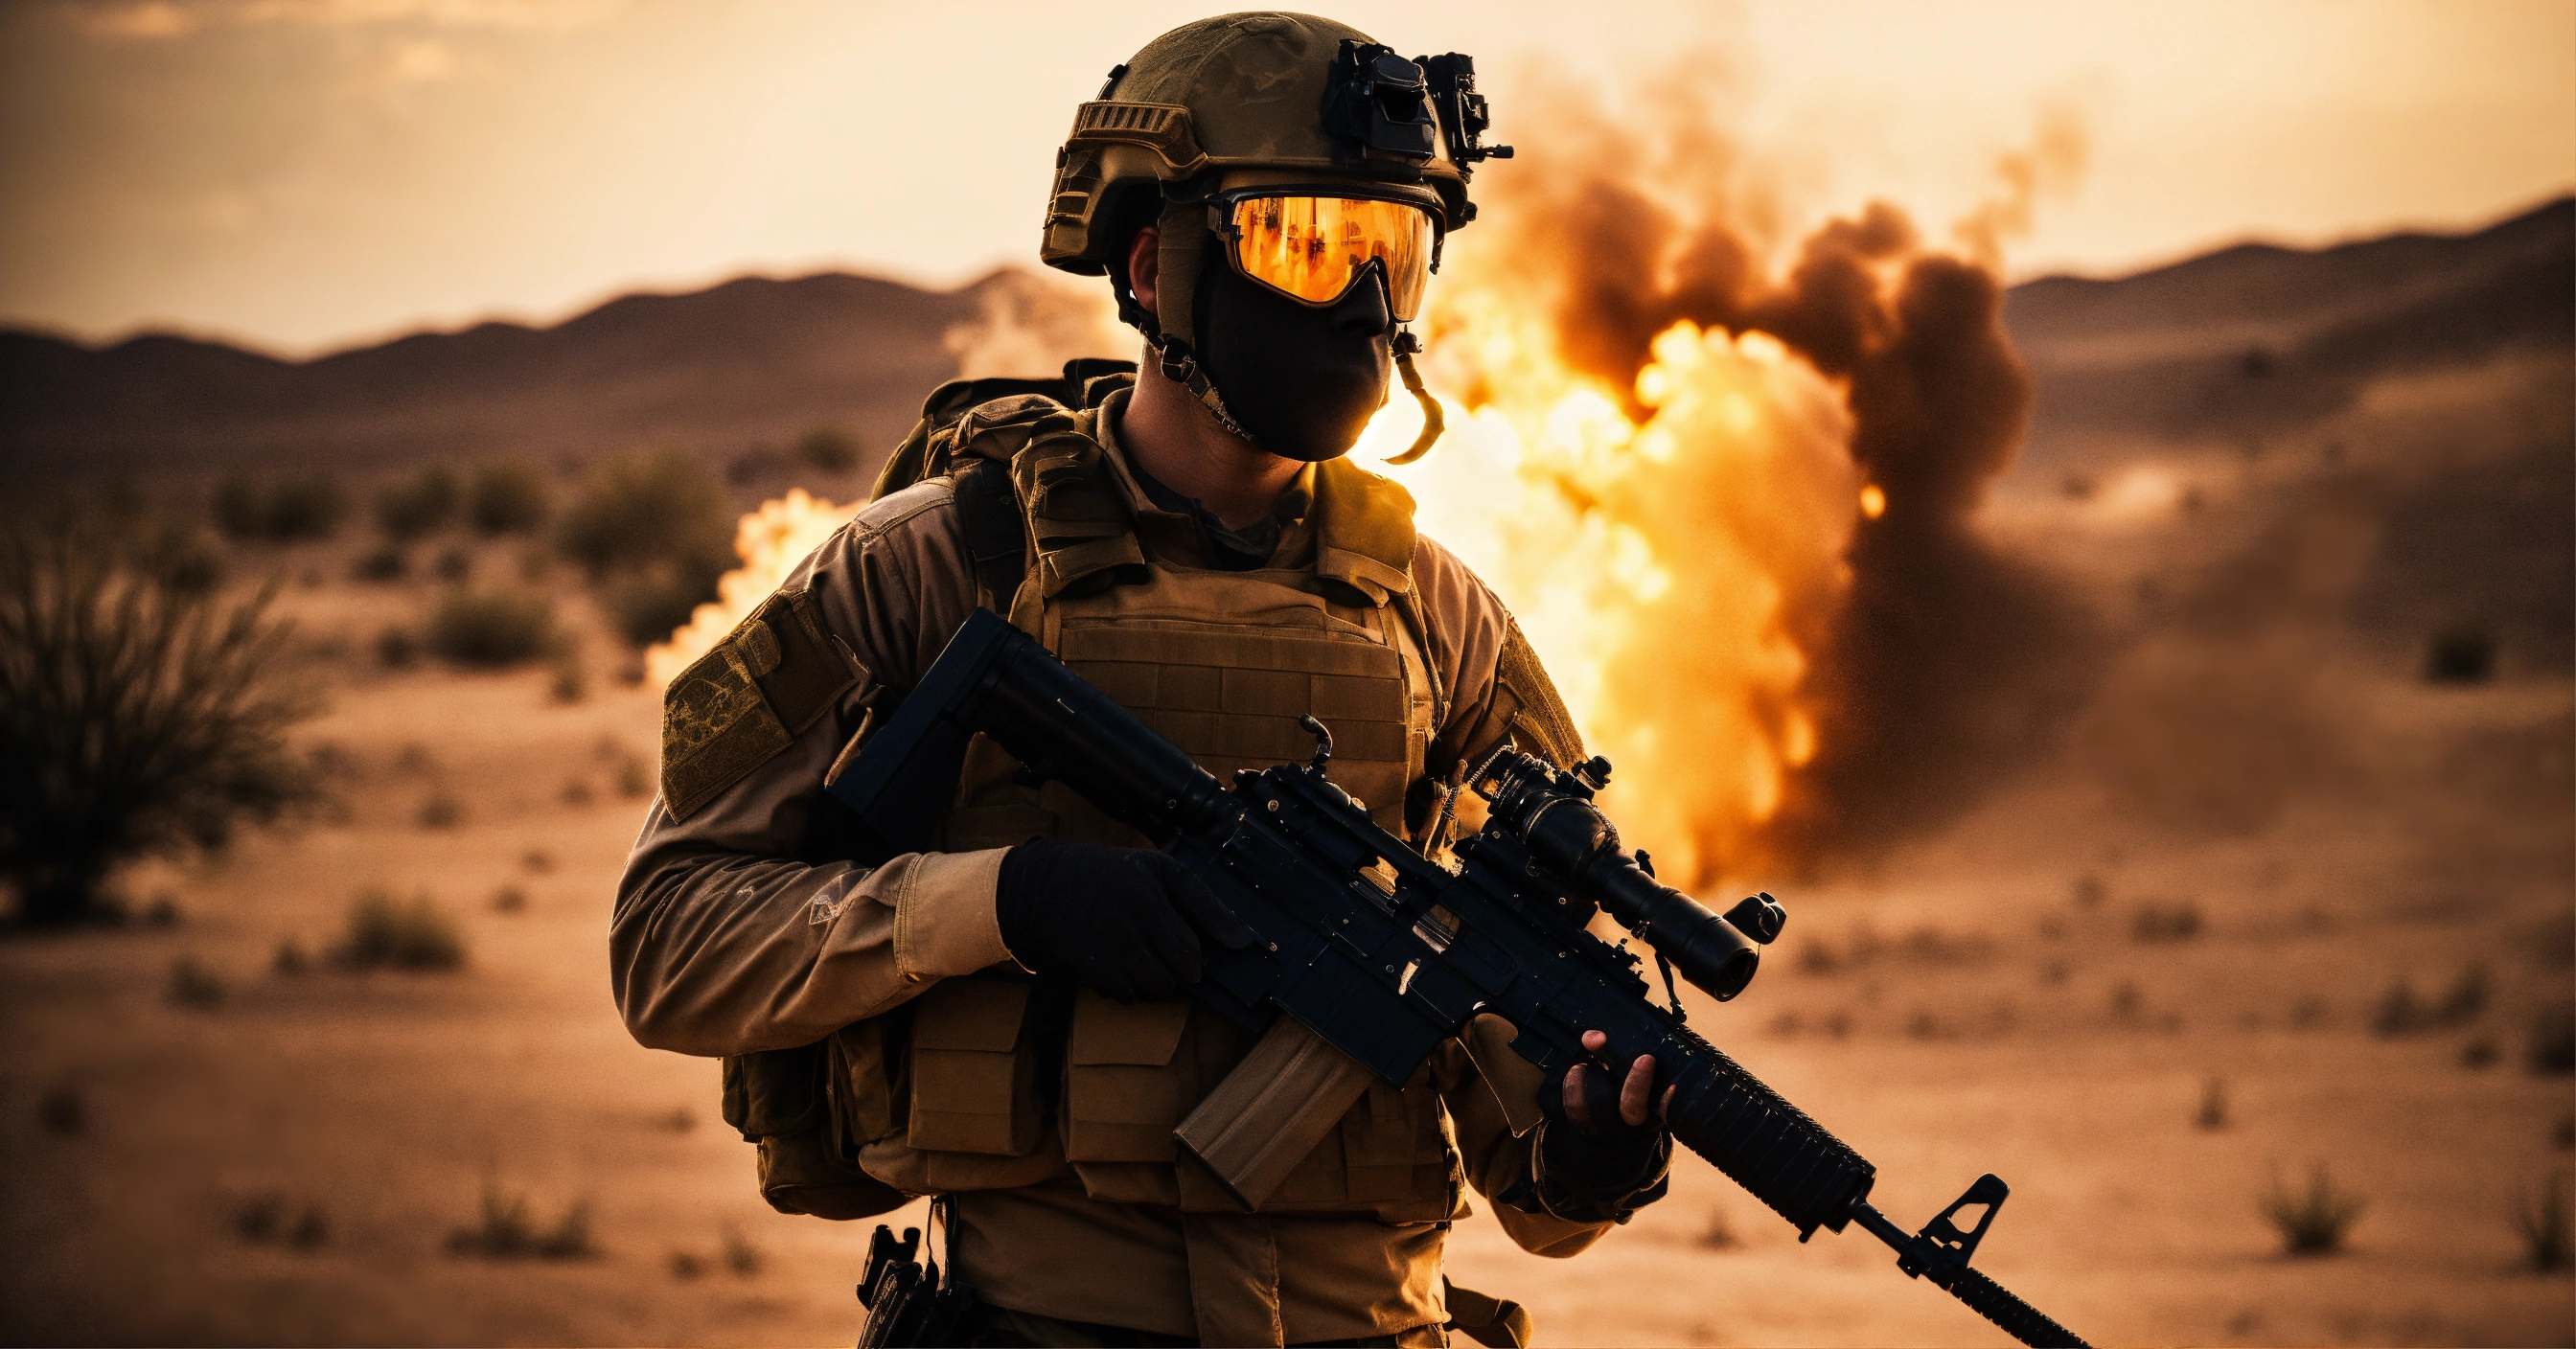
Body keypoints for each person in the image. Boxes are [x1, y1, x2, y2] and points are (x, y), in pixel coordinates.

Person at [613, 14, 1673, 1347]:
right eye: (1305, 241)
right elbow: (665, 945)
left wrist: (1585, 1152)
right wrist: (1000, 900)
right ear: (1150, 267)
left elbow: (1534, 1148)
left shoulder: (1444, 622)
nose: (1360, 305)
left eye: (1391, 250)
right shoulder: (934, 564)